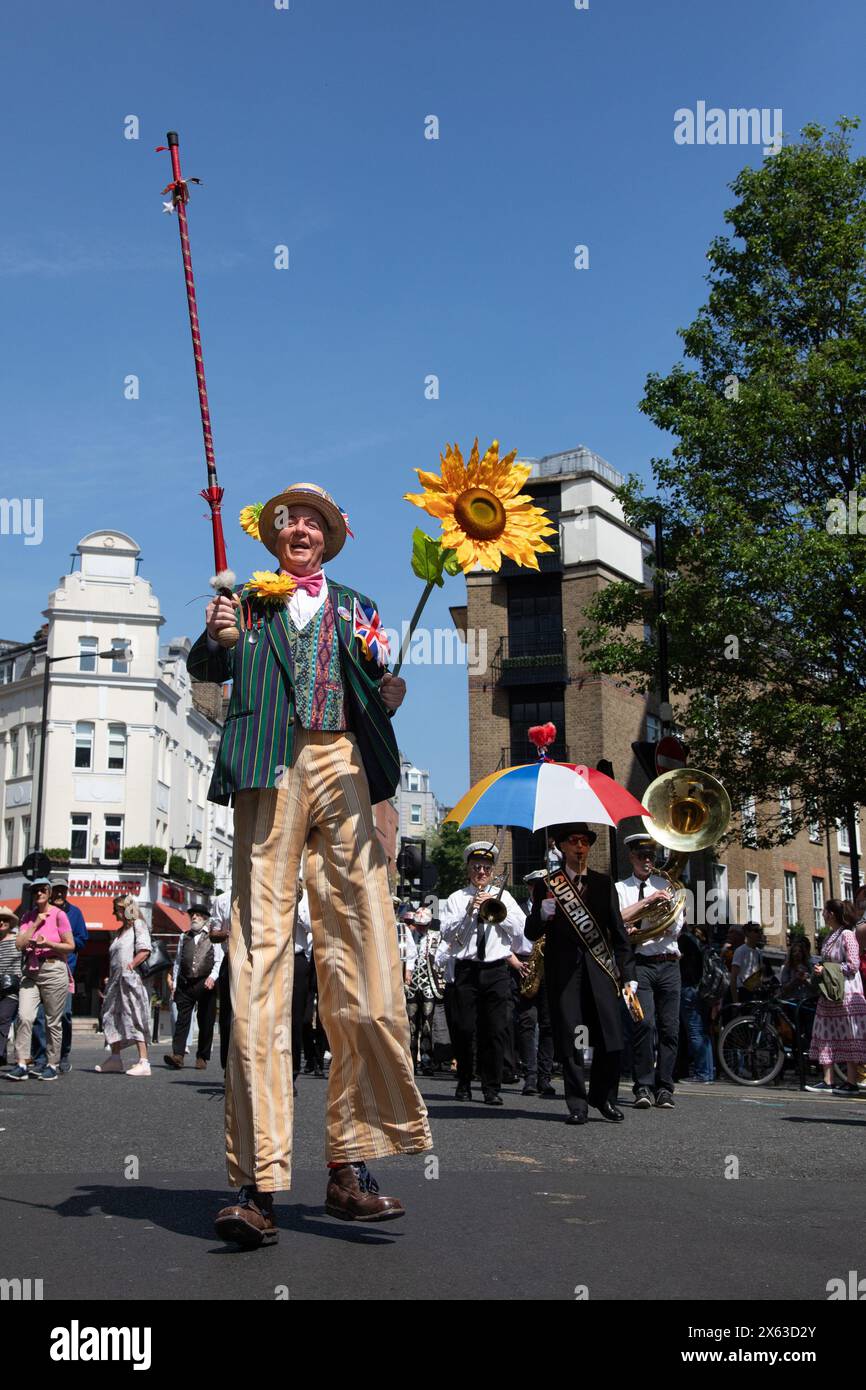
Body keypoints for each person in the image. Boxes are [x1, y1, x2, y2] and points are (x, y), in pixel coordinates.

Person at [188, 480, 432, 1247]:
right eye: (290, 520)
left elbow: (376, 681)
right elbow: (208, 673)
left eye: (314, 522)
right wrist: (217, 636)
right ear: (273, 536)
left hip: (345, 763)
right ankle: (257, 1183)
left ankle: (350, 1165)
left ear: (329, 537)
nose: (302, 529)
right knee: (258, 961)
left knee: (363, 955)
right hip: (268, 764)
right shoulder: (248, 603)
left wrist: (388, 693)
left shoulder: (359, 607)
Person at [526, 823, 637, 1125]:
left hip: (601, 972)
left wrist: (629, 975)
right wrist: (541, 913)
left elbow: (618, 933)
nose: (579, 846)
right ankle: (577, 1104)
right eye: (573, 841)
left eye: (585, 841)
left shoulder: (604, 884)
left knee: (610, 1038)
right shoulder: (547, 885)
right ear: (560, 847)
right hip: (565, 976)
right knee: (575, 1038)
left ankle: (603, 1097)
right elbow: (531, 932)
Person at [438, 841, 527, 1105]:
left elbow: (521, 931)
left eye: (486, 868)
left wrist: (495, 906)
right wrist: (469, 912)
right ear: (468, 870)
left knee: (496, 1030)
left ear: (492, 871)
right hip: (467, 970)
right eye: (476, 867)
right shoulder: (457, 898)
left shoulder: (505, 897)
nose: (481, 872)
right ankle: (464, 1080)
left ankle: (491, 1087)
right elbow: (448, 934)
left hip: (496, 970)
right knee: (464, 1029)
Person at [616, 833, 684, 1110]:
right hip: (639, 966)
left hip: (669, 963)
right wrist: (647, 906)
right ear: (631, 856)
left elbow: (675, 925)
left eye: (651, 856)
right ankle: (643, 1086)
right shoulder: (620, 889)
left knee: (670, 1029)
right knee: (642, 1024)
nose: (647, 861)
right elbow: (618, 921)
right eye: (641, 855)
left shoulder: (668, 885)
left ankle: (665, 1087)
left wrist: (639, 927)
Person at [4, 879, 75, 1083]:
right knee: (24, 1016)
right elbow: (19, 944)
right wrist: (36, 924)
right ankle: (21, 1064)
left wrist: (48, 943)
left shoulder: (59, 915)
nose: (39, 894)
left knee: (53, 1021)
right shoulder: (28, 917)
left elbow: (70, 946)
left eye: (43, 890)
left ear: (49, 892)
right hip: (31, 971)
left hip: (54, 968)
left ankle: (52, 1064)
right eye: (35, 891)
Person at [806, 899, 866, 1094]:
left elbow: (853, 965)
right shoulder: (830, 936)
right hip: (829, 993)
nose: (822, 913)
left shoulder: (847, 935)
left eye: (824, 910)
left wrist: (827, 968)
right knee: (825, 1033)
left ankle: (851, 1082)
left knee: (849, 1035)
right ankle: (828, 1080)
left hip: (846, 992)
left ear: (831, 913)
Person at [96, 895, 153, 1077]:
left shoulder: (138, 926)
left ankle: (144, 1061)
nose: (115, 914)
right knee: (110, 1016)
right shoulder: (120, 931)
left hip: (129, 980)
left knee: (134, 1016)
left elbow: (144, 950)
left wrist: (131, 966)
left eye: (118, 910)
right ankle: (115, 1057)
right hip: (115, 981)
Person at [164, 901, 222, 1071]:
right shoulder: (184, 936)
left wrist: (212, 977)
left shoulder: (212, 936)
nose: (194, 917)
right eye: (192, 915)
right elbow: (178, 961)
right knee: (182, 1019)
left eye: (197, 915)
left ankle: (202, 1056)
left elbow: (218, 960)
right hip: (185, 983)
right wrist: (174, 982)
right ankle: (178, 1055)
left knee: (206, 1021)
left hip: (205, 983)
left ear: (205, 918)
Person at [678, 925, 715, 1083]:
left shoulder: (684, 941)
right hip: (697, 989)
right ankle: (707, 1073)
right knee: (700, 1032)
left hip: (688, 988)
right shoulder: (696, 942)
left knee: (695, 1031)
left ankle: (703, 1074)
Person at [0, 907, 22, 1066]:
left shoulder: (18, 939)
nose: (1, 922)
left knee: (3, 1017)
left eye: (5, 920)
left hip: (12, 986)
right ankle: (2, 1054)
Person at [730, 922, 764, 1003]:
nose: (759, 933)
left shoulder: (759, 953)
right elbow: (733, 978)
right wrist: (736, 1002)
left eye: (760, 931)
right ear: (747, 933)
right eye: (756, 931)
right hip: (742, 993)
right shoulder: (740, 951)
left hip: (754, 993)